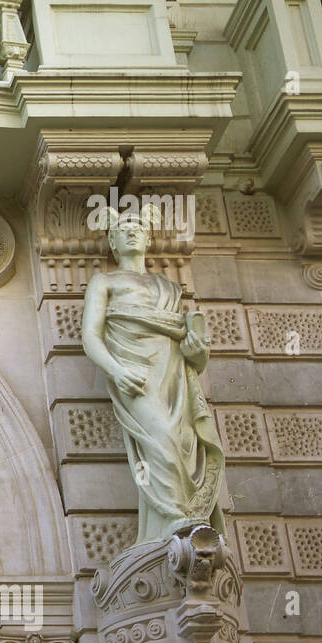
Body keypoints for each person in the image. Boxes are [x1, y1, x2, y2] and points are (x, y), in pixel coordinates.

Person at [81, 208, 224, 546]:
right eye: (123, 229)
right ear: (113, 243)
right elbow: (90, 335)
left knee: (186, 442)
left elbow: (193, 354)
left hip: (173, 372)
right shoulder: (105, 282)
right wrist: (117, 371)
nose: (131, 233)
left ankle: (181, 521)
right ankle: (177, 518)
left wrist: (196, 350)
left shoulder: (168, 287)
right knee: (161, 439)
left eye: (138, 228)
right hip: (136, 373)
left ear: (148, 239)